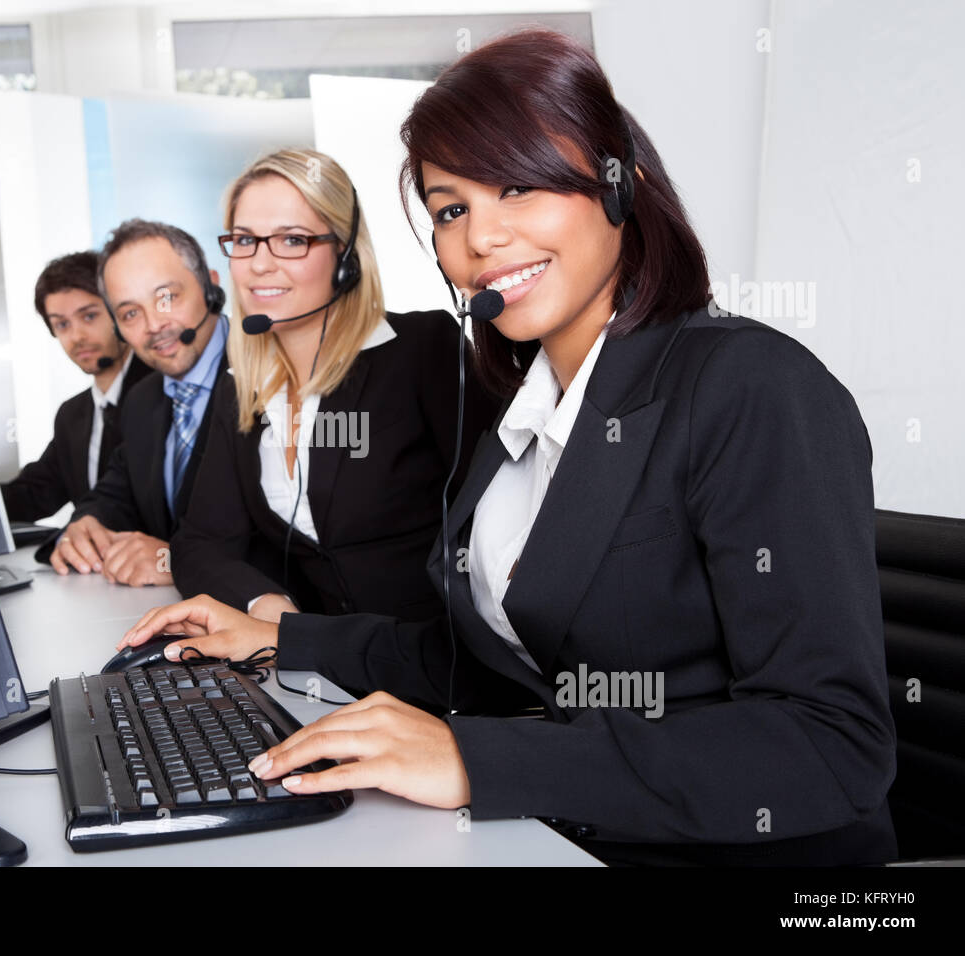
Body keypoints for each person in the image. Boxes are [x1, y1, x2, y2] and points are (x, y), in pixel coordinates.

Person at [118, 29, 898, 866]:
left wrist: (474, 760)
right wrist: (276, 639)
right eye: (452, 208)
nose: (480, 239)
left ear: (617, 184)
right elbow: (487, 664)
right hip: (558, 835)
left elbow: (831, 743)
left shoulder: (749, 386)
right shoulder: (521, 420)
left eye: (519, 186)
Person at [168, 148, 496, 624]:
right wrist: (267, 605)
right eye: (244, 240)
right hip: (316, 674)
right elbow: (199, 543)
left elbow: (500, 530)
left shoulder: (423, 350)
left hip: (442, 673)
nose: (259, 264)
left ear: (346, 257)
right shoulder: (243, 385)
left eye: (292, 240)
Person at [44, 220, 231, 587]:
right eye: (130, 313)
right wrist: (89, 523)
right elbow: (118, 491)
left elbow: (294, 544)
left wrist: (176, 562)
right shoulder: (144, 399)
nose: (153, 325)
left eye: (167, 298)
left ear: (210, 285)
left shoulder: (276, 374)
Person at [0, 251, 151, 523]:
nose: (76, 336)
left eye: (89, 316)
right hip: (93, 563)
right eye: (62, 324)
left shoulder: (162, 396)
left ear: (122, 313)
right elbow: (34, 495)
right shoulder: (73, 415)